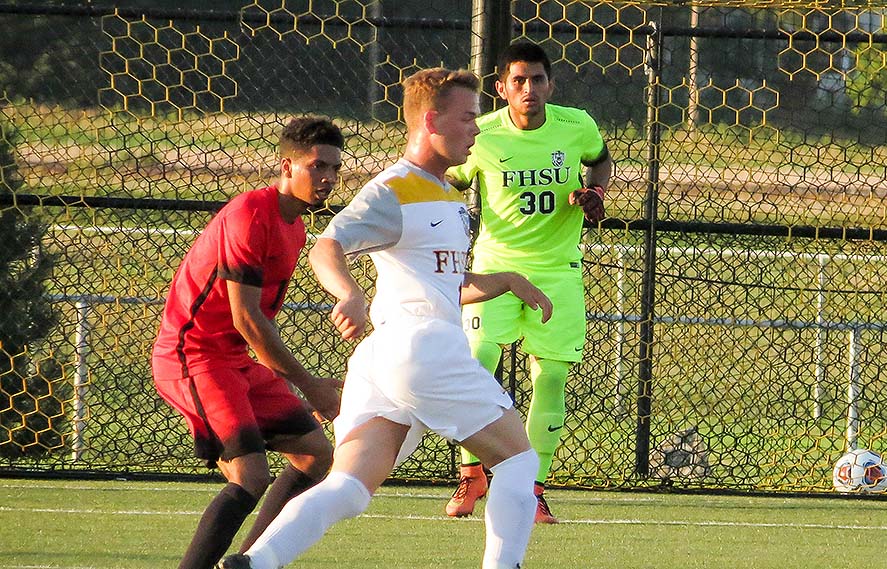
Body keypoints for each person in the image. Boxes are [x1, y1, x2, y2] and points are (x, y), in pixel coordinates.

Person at [217, 67, 552, 569]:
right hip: (422, 347)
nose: (477, 129)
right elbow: (327, 246)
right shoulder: (393, 190)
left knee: (349, 488)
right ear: (432, 121)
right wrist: (348, 293)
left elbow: (444, 284)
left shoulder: (449, 196)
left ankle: (256, 563)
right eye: (468, 118)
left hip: (386, 358)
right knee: (519, 461)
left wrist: (504, 280)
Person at [151, 117, 345, 569]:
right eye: (317, 166)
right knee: (249, 474)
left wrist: (298, 384)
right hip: (191, 357)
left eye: (335, 169)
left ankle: (249, 563)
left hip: (233, 361)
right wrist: (310, 385)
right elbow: (248, 319)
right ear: (287, 165)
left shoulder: (294, 227)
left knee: (316, 455)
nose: (328, 178)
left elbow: (254, 330)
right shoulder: (249, 215)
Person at [445, 40, 613, 524]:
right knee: (478, 362)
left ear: (550, 84)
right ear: (501, 88)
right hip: (495, 269)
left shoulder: (575, 124)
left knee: (553, 375)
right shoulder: (483, 135)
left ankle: (531, 489)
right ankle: (472, 473)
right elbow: (448, 181)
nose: (529, 89)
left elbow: (600, 160)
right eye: (518, 81)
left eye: (537, 79)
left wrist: (596, 191)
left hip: (557, 269)